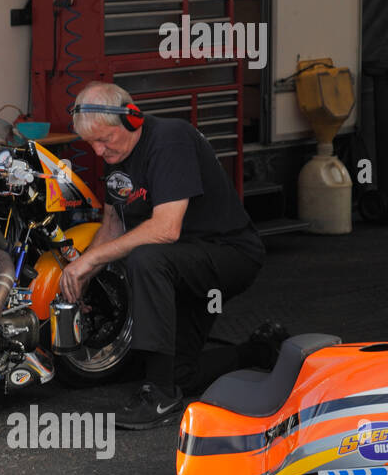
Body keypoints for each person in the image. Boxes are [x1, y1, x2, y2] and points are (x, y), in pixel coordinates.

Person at [58, 82, 272, 429]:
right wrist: (82, 275)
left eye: (104, 139)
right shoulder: (116, 156)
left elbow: (166, 229)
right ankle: (261, 349)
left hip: (228, 254)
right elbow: (112, 226)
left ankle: (160, 397)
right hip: (179, 264)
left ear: (132, 120)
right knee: (182, 374)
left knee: (146, 258)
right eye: (91, 143)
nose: (97, 151)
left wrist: (90, 261)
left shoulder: (171, 139)